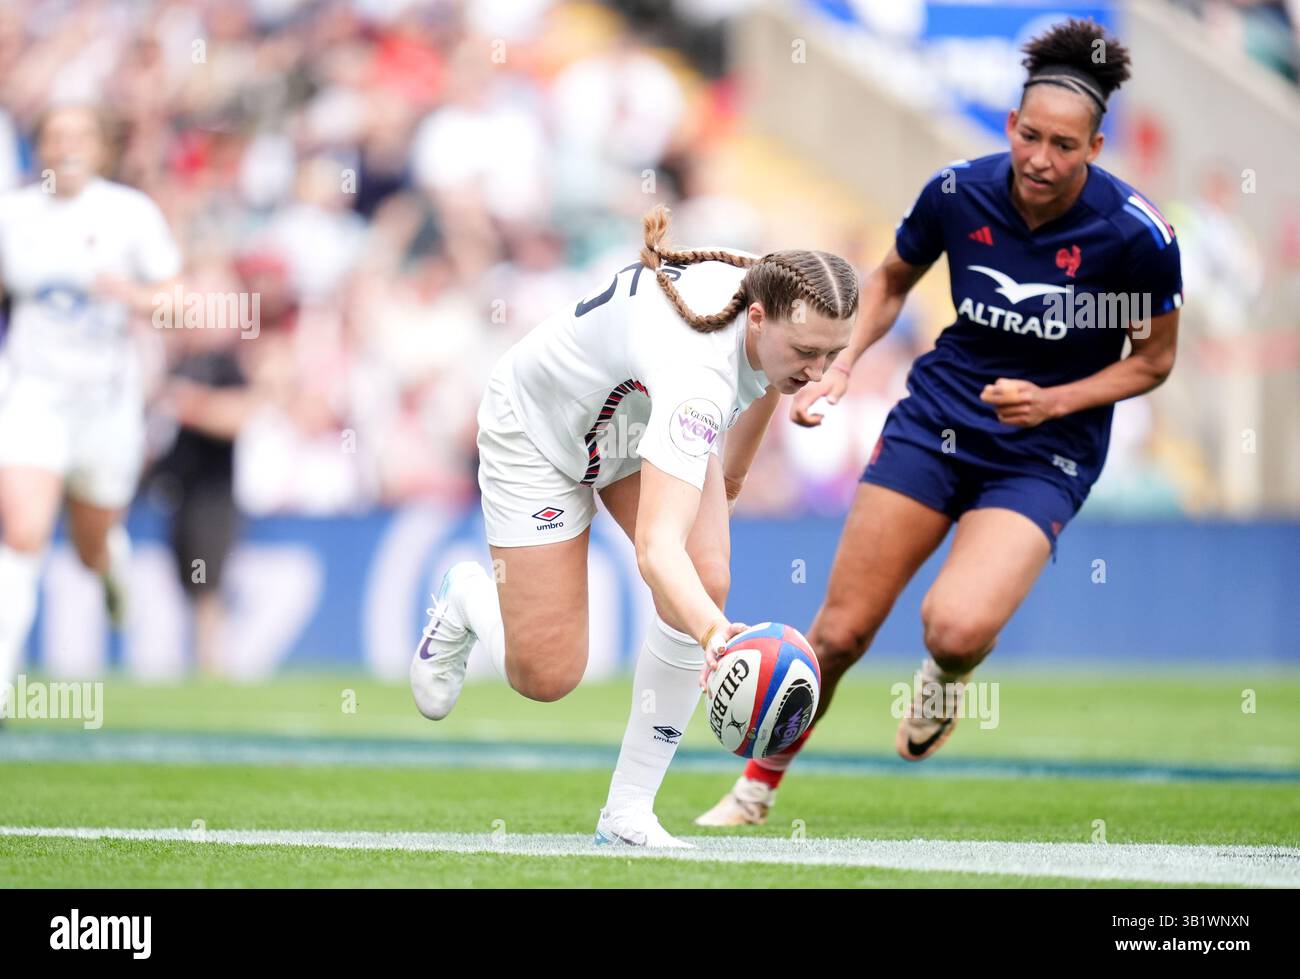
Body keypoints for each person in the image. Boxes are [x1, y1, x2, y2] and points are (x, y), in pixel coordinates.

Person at [697, 18, 1183, 826]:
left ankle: (943, 684)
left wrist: (1054, 401)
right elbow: (888, 281)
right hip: (936, 421)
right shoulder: (960, 193)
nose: (1041, 158)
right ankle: (754, 790)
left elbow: (1153, 360)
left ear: (1097, 147)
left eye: (1065, 146)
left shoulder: (1134, 235)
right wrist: (844, 366)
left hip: (1047, 450)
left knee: (955, 628)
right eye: (1030, 136)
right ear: (1009, 127)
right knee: (841, 631)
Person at [411, 204, 859, 846]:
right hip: (536, 431)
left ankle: (627, 813)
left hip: (629, 426)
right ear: (757, 318)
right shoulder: (700, 367)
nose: (817, 373)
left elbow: (751, 414)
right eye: (808, 354)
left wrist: (710, 564)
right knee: (547, 676)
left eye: (833, 354)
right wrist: (716, 639)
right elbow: (655, 549)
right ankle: (466, 599)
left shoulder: (764, 309)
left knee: (706, 573)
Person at [0, 105, 181, 717]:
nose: (65, 146)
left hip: (105, 404)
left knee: (88, 545)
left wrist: (129, 294)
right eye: (54, 135)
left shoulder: (129, 214)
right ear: (40, 147)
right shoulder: (14, 214)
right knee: (22, 533)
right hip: (32, 395)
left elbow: (177, 304)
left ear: (100, 149)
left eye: (79, 136)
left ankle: (112, 564)